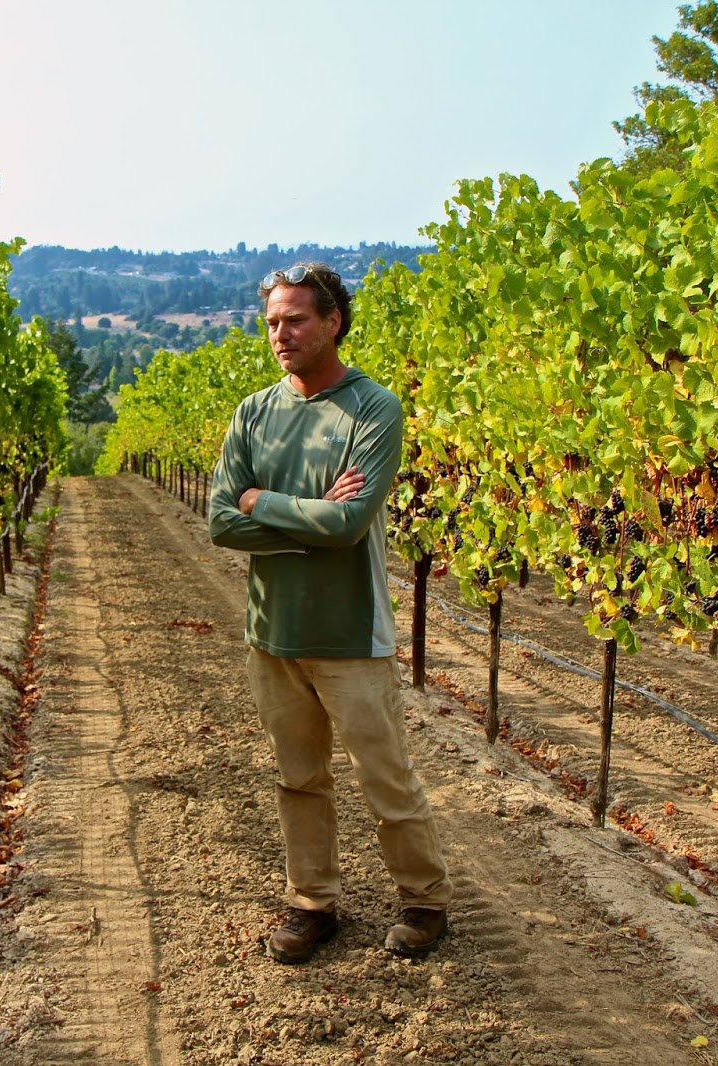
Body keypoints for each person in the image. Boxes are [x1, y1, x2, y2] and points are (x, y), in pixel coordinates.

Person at [207, 262, 452, 964]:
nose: (281, 334)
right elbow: (222, 523)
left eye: (296, 320)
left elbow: (348, 525)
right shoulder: (254, 412)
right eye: (273, 322)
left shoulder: (373, 408)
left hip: (351, 632)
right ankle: (311, 903)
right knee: (297, 777)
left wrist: (265, 502)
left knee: (386, 776)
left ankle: (425, 899)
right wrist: (303, 511)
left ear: (333, 322)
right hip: (271, 631)